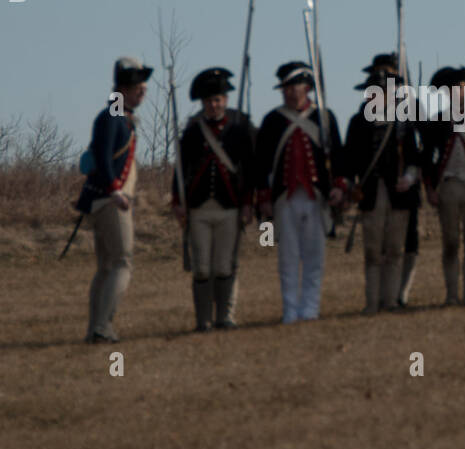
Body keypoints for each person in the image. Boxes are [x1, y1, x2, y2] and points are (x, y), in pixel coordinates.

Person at [254, 61, 347, 324]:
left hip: (316, 196)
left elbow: (338, 156)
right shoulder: (272, 121)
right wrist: (263, 197)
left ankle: (310, 308)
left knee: (314, 255)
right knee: (288, 257)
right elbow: (261, 163)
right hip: (284, 199)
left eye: (294, 86)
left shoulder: (324, 117)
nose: (289, 92)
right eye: (285, 87)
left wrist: (339, 187)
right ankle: (290, 310)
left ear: (307, 87)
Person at [171, 67, 255, 332]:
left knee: (225, 265)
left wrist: (248, 203)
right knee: (202, 267)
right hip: (198, 208)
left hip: (229, 206)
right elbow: (181, 169)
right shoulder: (194, 132)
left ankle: (225, 317)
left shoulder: (239, 129)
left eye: (217, 99)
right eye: (209, 101)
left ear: (225, 100)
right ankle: (203, 321)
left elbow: (250, 168)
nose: (213, 105)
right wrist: (177, 201)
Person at [76, 56, 153, 343]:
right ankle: (102, 327)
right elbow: (106, 158)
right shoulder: (113, 117)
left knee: (107, 267)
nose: (142, 90)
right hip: (111, 201)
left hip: (107, 199)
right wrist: (116, 190)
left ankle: (96, 327)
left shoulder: (119, 116)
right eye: (137, 85)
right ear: (123, 87)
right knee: (122, 263)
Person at [345, 66, 421, 315]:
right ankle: (372, 302)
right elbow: (351, 160)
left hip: (399, 194)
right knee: (372, 252)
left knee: (395, 250)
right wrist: (349, 185)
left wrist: (409, 178)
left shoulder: (403, 121)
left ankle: (390, 301)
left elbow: (414, 158)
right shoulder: (357, 123)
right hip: (371, 194)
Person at [422, 66, 465, 306]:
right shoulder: (437, 122)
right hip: (447, 187)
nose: (459, 91)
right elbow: (427, 157)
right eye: (454, 88)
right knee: (450, 243)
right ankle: (451, 294)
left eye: (462, 87)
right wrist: (429, 188)